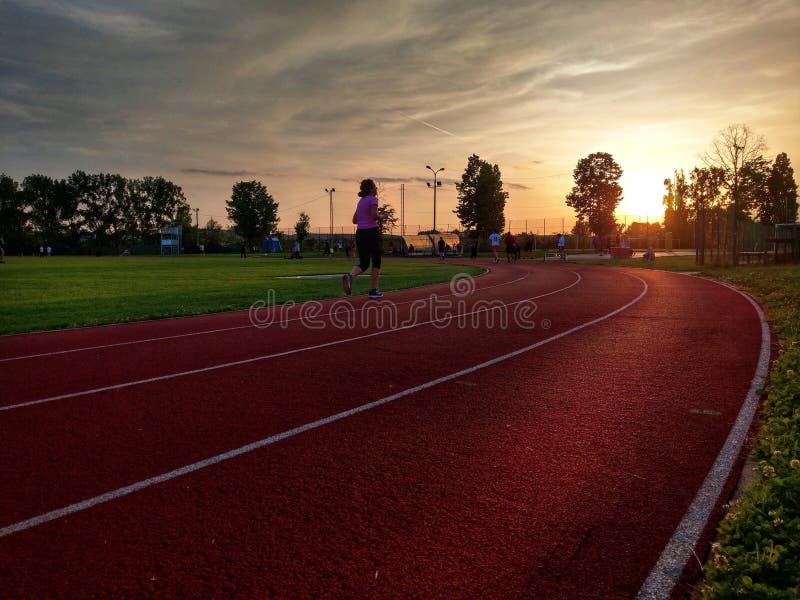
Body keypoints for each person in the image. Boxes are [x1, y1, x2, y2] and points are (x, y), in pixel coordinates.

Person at [342, 179, 385, 299]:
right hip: (372, 233)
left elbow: (354, 220)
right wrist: (383, 216)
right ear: (371, 189)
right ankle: (373, 291)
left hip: (360, 233)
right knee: (376, 261)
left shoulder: (360, 202)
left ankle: (350, 276)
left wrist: (364, 218)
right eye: (375, 187)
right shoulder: (373, 199)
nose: (376, 189)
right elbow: (374, 216)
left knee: (364, 263)